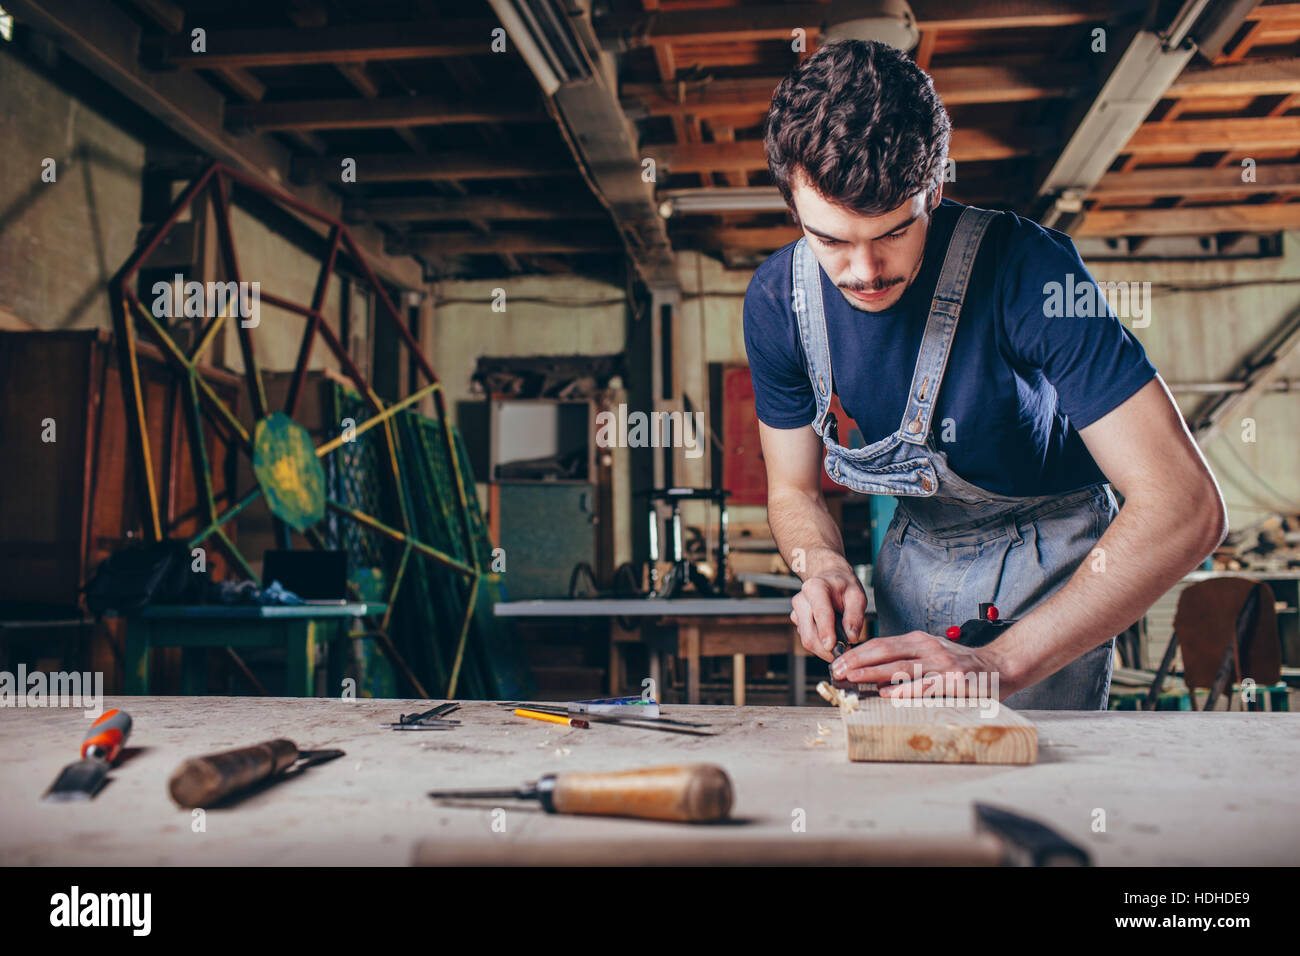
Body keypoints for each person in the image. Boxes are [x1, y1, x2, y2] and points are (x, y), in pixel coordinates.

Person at [743, 40, 1227, 708]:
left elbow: (1186, 504)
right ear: (792, 209)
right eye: (830, 239)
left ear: (934, 190)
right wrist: (820, 563)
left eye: (892, 232)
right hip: (911, 555)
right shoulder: (777, 303)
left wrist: (1001, 661)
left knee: (1028, 785)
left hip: (1050, 564)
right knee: (909, 784)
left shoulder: (1029, 269)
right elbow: (793, 491)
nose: (863, 272)